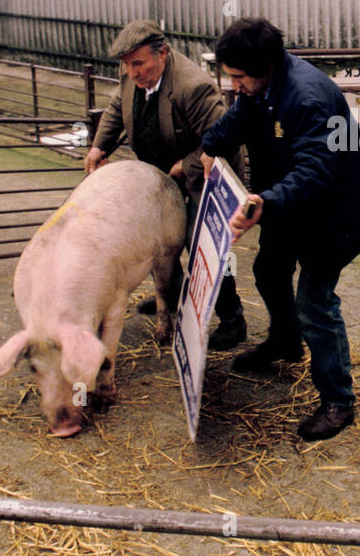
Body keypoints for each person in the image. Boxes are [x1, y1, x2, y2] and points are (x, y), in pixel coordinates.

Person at [201, 18, 360, 441]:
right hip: (295, 203)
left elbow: (318, 170)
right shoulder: (261, 86)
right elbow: (240, 116)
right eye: (230, 76)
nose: (234, 85)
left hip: (342, 210)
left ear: (265, 65)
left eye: (238, 77)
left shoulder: (308, 98)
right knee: (269, 269)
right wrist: (211, 146)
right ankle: (285, 342)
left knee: (315, 301)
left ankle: (339, 403)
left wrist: (267, 202)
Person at [85, 19, 247, 350]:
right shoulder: (133, 74)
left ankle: (233, 318)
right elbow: (118, 105)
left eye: (138, 64)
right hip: (158, 173)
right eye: (127, 65)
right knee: (159, 238)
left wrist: (184, 164)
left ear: (163, 53)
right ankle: (170, 296)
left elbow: (224, 140)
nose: (132, 72)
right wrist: (100, 145)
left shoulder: (193, 87)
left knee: (199, 240)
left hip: (203, 176)